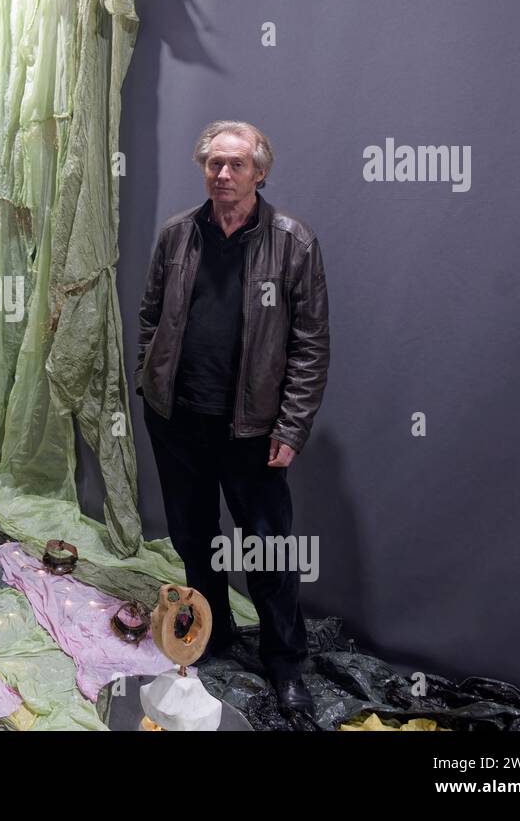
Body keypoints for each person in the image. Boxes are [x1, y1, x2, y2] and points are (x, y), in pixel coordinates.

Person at [135, 121, 330, 718]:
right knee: (194, 539)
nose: (222, 174)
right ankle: (212, 636)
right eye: (214, 163)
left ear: (259, 173)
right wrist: (150, 381)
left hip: (253, 430)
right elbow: (150, 317)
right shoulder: (178, 235)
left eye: (236, 164)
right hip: (178, 420)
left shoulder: (292, 242)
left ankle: (285, 664)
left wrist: (291, 428)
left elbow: (311, 345)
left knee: (266, 550)